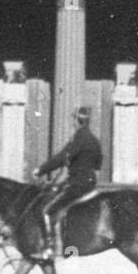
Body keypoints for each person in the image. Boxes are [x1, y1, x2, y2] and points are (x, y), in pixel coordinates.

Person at [35, 105, 103, 260]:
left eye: (73, 120)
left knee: (46, 210)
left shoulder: (78, 138)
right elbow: (98, 164)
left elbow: (61, 158)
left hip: (76, 184)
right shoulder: (94, 140)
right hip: (90, 184)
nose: (72, 123)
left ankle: (49, 248)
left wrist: (40, 170)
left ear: (77, 120)